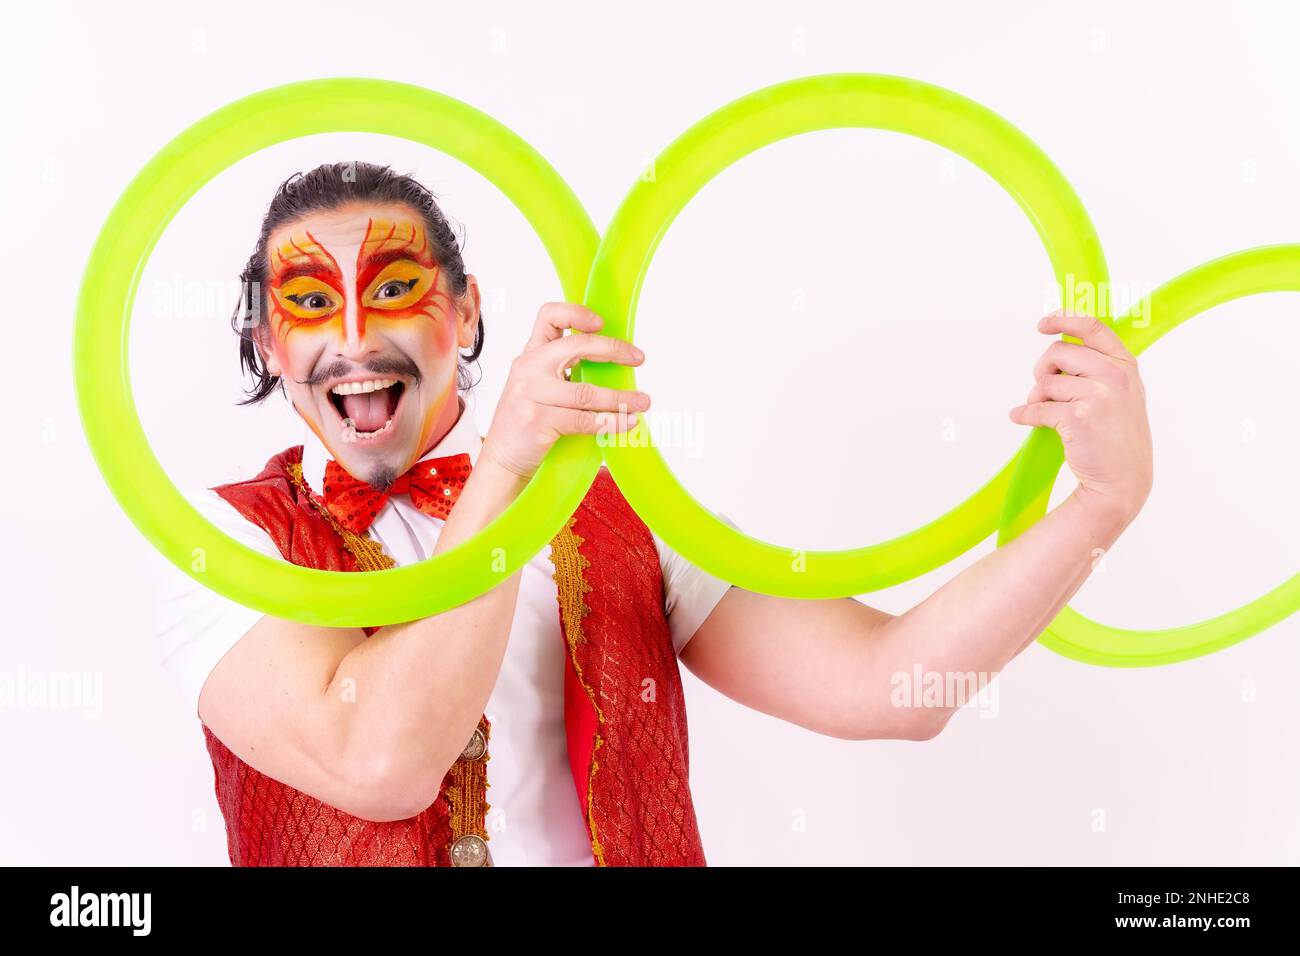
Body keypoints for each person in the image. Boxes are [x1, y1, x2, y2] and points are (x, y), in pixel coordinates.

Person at [156, 161, 1154, 867]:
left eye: (398, 288)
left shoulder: (617, 506)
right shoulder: (220, 548)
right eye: (309, 303)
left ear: (463, 314)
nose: (357, 334)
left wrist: (1101, 503)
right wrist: (505, 467)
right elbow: (379, 763)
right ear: (267, 343)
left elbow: (891, 687)